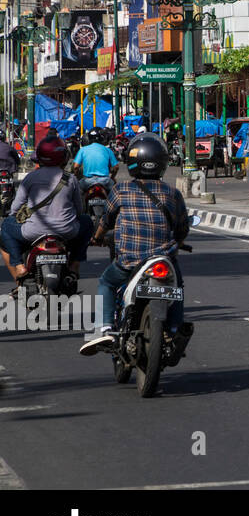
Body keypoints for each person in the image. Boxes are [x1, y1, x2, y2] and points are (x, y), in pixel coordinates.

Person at [79, 134, 191, 354]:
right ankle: (175, 328)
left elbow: (106, 220)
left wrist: (97, 237)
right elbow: (182, 228)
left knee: (107, 283)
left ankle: (104, 328)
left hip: (129, 260)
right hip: (163, 259)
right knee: (176, 287)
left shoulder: (121, 190)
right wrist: (178, 240)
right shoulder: (173, 193)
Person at [1, 135, 93, 288]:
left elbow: (15, 209)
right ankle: (75, 264)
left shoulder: (30, 178)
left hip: (32, 232)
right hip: (67, 231)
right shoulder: (70, 179)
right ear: (63, 157)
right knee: (87, 222)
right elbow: (79, 210)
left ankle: (19, 266)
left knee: (6, 227)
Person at [72, 128, 119, 195]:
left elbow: (75, 167)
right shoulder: (107, 150)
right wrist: (112, 177)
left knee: (77, 195)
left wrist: (76, 177)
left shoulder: (83, 150)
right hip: (105, 181)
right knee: (114, 194)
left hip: (87, 181)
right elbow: (116, 167)